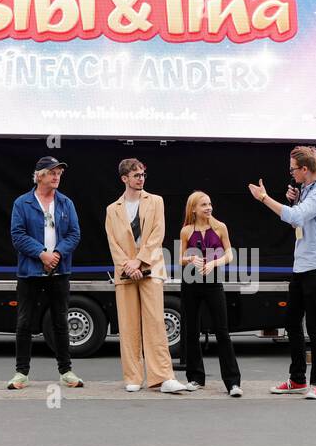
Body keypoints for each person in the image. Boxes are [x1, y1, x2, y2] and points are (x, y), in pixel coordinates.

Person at [247, 145, 316, 400]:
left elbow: (295, 217)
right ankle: (297, 379)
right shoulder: (308, 189)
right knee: (291, 321)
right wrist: (295, 199)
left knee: (315, 325)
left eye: (293, 170)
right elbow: (299, 215)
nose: (291, 174)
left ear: (305, 169)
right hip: (303, 265)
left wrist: (264, 198)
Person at [104, 158, 187, 394]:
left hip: (151, 268)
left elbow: (156, 234)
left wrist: (139, 261)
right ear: (124, 179)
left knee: (155, 323)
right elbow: (113, 242)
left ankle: (163, 377)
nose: (141, 178)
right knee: (128, 324)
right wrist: (128, 266)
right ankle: (132, 376)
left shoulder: (156, 201)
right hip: (126, 271)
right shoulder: (113, 209)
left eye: (142, 174)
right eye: (136, 175)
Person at [6, 155, 83, 390]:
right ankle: (21, 373)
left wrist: (57, 253)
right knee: (24, 322)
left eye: (59, 172)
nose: (57, 176)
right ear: (39, 176)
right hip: (30, 272)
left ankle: (66, 371)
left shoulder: (66, 203)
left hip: (59, 271)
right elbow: (17, 235)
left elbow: (74, 234)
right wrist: (42, 254)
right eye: (52, 172)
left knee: (61, 321)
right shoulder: (22, 203)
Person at [179, 191, 242, 397]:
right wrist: (190, 260)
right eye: (204, 204)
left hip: (213, 282)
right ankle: (196, 378)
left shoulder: (220, 227)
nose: (208, 207)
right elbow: (180, 259)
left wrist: (215, 262)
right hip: (191, 283)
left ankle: (232, 382)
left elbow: (230, 254)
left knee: (222, 332)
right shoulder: (186, 231)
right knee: (191, 331)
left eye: (210, 203)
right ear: (194, 209)